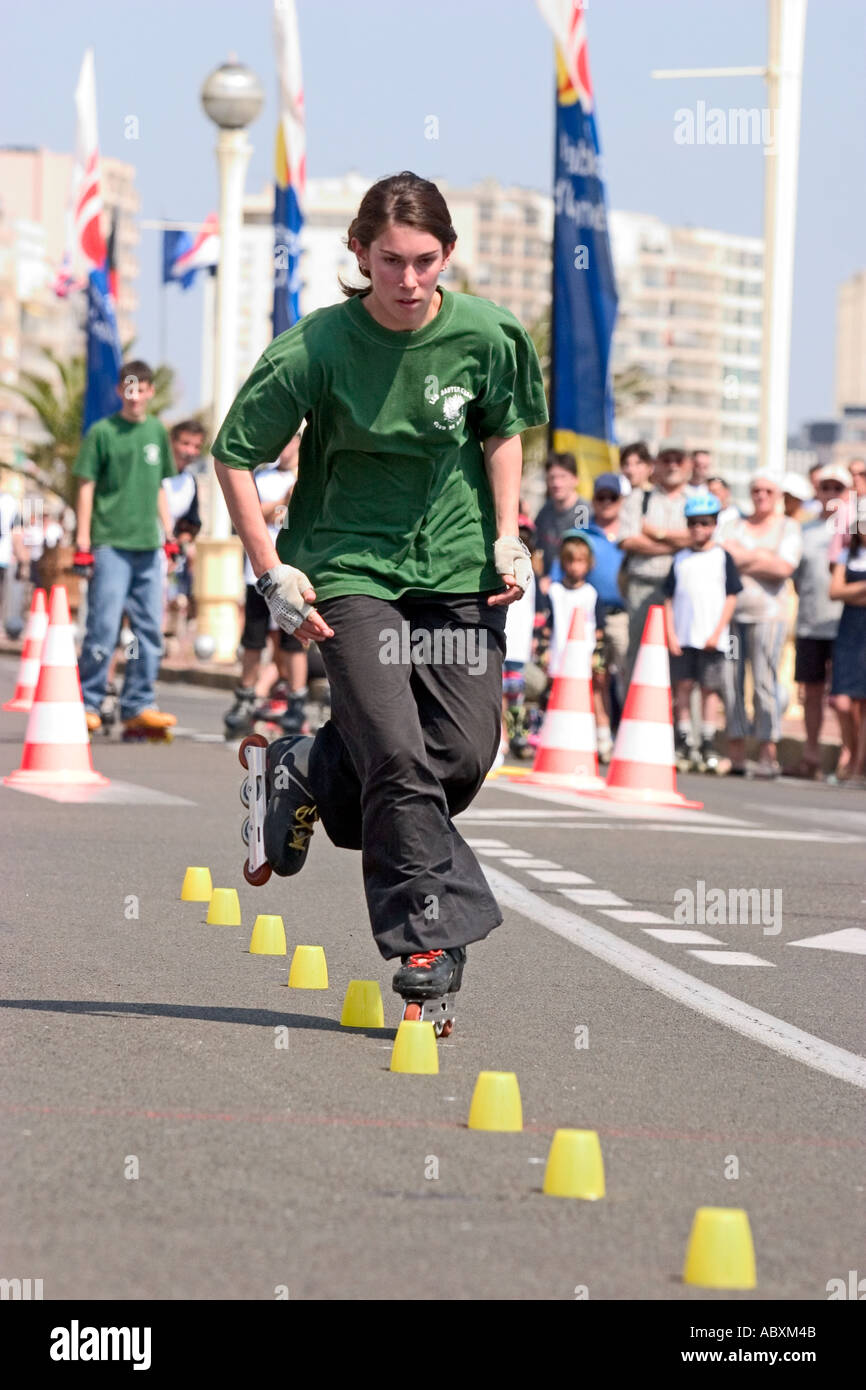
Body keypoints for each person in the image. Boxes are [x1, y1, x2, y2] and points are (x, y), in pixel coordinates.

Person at [211, 170, 548, 1020]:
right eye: (390, 260)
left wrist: (509, 530)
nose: (408, 280)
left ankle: (309, 768)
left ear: (448, 256)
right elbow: (233, 453)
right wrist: (268, 569)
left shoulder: (489, 335)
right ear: (359, 253)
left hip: (460, 569)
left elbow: (503, 429)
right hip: (349, 571)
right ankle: (427, 943)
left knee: (463, 756)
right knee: (397, 756)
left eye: (425, 261)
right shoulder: (316, 348)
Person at [73, 360, 177, 735]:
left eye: (142, 388)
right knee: (104, 626)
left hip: (148, 546)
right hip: (110, 544)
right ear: (120, 391)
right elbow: (85, 486)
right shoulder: (102, 433)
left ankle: (137, 703)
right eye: (128, 388)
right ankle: (89, 700)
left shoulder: (156, 432)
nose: (135, 395)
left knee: (148, 629)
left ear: (149, 392)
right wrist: (83, 540)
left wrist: (169, 535)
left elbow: (159, 487)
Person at [224, 436, 309, 737]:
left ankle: (297, 700)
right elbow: (251, 514)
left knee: (292, 640)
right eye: (281, 443)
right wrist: (282, 503)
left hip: (292, 571)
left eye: (290, 444)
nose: (284, 450)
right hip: (258, 573)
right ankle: (246, 697)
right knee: (253, 639)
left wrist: (289, 503)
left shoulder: (307, 475)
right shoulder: (263, 477)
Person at [720, 475, 802, 777]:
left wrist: (743, 557)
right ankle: (737, 753)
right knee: (731, 681)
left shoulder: (788, 527)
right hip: (732, 616)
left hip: (769, 616)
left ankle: (768, 754)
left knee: (764, 683)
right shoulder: (734, 525)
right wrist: (762, 558)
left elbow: (784, 567)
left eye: (768, 490)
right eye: (756, 490)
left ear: (777, 494)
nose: (761, 495)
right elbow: (724, 560)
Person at [663, 493, 742, 773]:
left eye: (705, 523)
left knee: (710, 690)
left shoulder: (722, 557)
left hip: (712, 638)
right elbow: (669, 599)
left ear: (714, 525)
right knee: (683, 687)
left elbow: (731, 596)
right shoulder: (680, 558)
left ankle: (707, 741)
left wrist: (718, 631)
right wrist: (670, 633)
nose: (699, 528)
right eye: (693, 523)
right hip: (683, 636)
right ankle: (684, 740)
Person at [786, 465, 848, 780]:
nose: (831, 495)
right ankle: (811, 755)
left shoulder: (856, 528)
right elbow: (797, 579)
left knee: (844, 697)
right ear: (818, 493)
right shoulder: (805, 531)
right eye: (826, 488)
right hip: (811, 622)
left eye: (838, 488)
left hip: (846, 624)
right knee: (811, 692)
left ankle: (848, 755)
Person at [617, 442, 691, 680]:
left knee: (681, 656)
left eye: (678, 460)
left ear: (687, 464)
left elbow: (696, 538)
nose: (672, 465)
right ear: (656, 464)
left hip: (680, 591)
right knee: (637, 653)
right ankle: (631, 714)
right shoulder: (639, 498)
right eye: (666, 459)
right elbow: (628, 540)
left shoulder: (695, 501)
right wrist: (674, 544)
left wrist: (655, 533)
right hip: (642, 585)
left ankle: (680, 716)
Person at [541, 531, 610, 758]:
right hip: (560, 656)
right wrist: (545, 651)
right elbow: (548, 626)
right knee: (554, 698)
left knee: (595, 698)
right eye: (570, 561)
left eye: (580, 561)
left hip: (584, 658)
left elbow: (599, 630)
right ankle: (550, 738)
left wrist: (597, 658)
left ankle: (603, 740)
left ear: (588, 564)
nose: (574, 567)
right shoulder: (555, 592)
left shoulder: (591, 594)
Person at [584, 473, 627, 736]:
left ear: (620, 501)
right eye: (601, 497)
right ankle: (602, 732)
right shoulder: (583, 534)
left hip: (624, 616)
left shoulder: (631, 535)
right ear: (594, 500)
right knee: (597, 677)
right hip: (592, 618)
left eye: (612, 497)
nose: (607, 502)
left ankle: (625, 730)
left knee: (625, 674)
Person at [829, 524, 866, 787]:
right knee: (842, 701)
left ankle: (857, 765)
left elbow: (845, 592)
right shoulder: (848, 554)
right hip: (850, 630)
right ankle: (850, 749)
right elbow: (835, 591)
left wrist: (851, 594)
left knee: (863, 703)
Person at [532, 452, 588, 583]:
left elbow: (580, 553)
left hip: (573, 585)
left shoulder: (583, 511)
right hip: (547, 586)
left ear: (575, 480)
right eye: (552, 478)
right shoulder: (545, 510)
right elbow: (536, 548)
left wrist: (554, 577)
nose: (556, 483)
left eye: (563, 477)